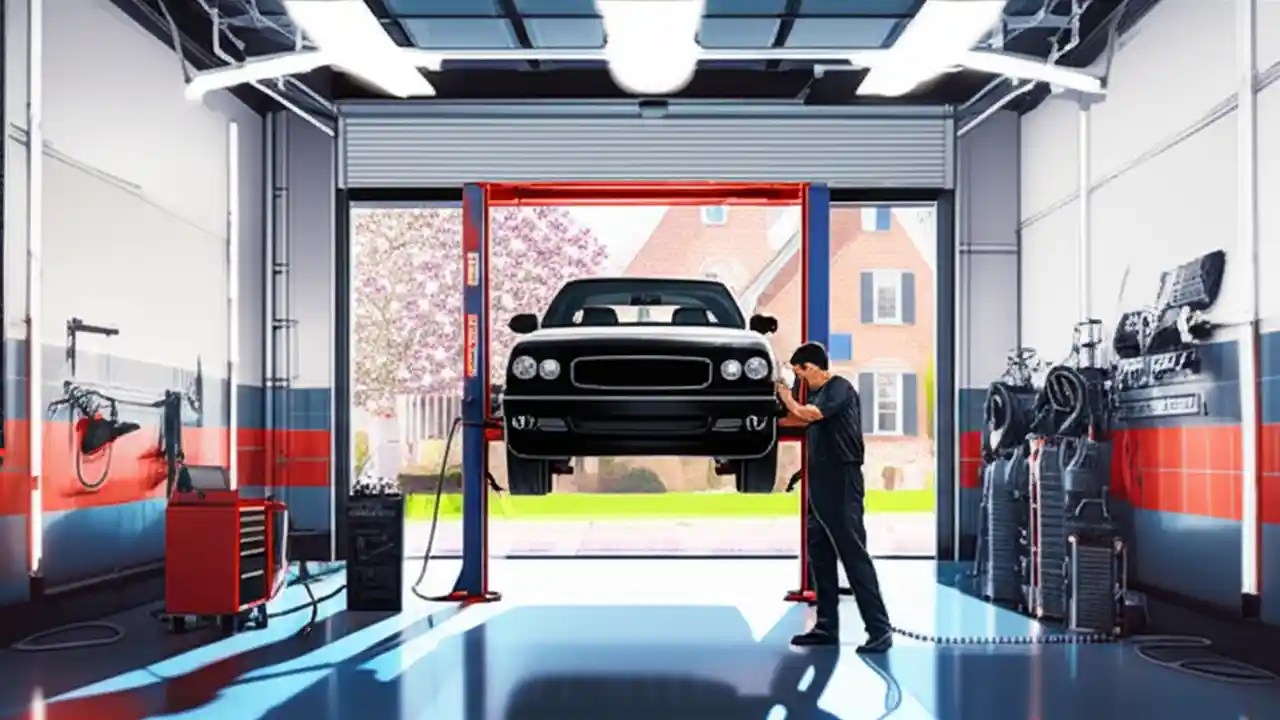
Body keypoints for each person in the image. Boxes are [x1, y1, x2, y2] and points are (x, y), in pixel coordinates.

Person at [776, 342, 893, 652]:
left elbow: (807, 414)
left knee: (852, 554)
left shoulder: (839, 388)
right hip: (820, 480)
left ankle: (879, 630)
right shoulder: (817, 395)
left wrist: (784, 393)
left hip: (842, 481)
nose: (799, 379)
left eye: (800, 372)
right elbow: (799, 421)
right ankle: (826, 627)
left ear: (812, 367)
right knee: (820, 555)